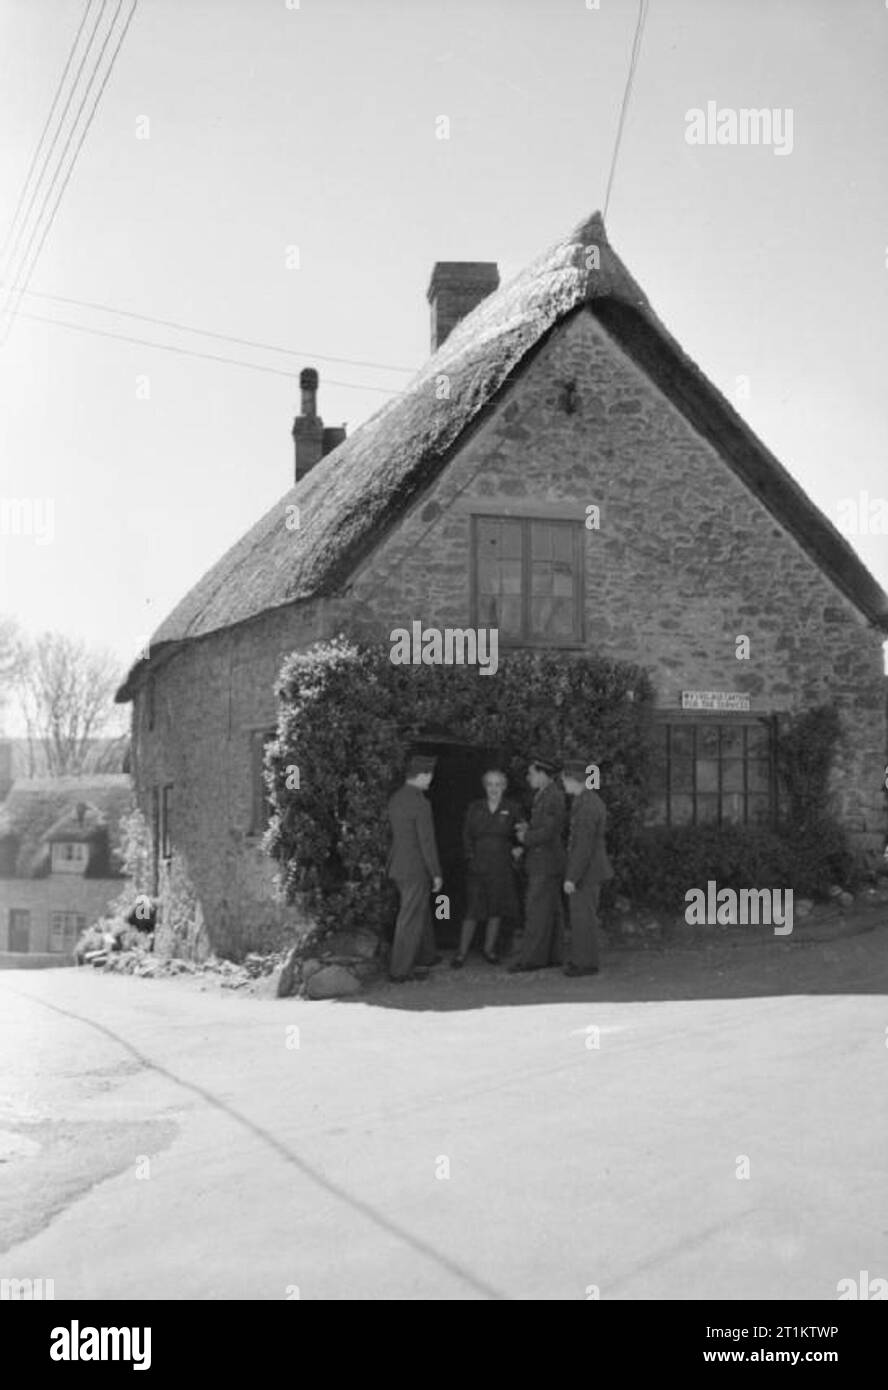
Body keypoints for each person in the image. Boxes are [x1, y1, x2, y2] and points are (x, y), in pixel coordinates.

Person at [451, 767, 521, 968]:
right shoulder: (475, 807)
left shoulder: (513, 808)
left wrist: (518, 850)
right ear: (484, 786)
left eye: (498, 784)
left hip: (501, 864)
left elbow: (520, 833)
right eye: (490, 784)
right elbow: (466, 835)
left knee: (495, 909)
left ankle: (489, 950)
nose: (494, 788)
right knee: (472, 909)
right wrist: (470, 857)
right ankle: (461, 953)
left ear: (504, 787)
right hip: (478, 864)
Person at [386, 754, 443, 982]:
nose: (431, 780)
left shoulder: (396, 798)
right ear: (421, 775)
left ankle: (426, 956)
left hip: (398, 865)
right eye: (429, 775)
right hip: (415, 868)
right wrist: (436, 873)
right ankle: (399, 970)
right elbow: (426, 842)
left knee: (421, 911)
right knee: (409, 917)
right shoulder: (421, 803)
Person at [508, 752, 566, 971]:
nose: (528, 777)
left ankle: (531, 959)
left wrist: (526, 837)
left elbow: (550, 830)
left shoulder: (553, 796)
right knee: (551, 910)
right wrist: (529, 829)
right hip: (546, 860)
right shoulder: (545, 794)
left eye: (531, 773)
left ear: (543, 774)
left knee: (537, 910)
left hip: (545, 862)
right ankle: (553, 955)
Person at [560, 757, 614, 977]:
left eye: (565, 779)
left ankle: (586, 963)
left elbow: (583, 846)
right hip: (591, 869)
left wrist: (572, 877)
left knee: (583, 918)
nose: (563, 784)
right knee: (582, 917)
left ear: (575, 780)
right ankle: (583, 960)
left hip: (588, 871)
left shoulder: (586, 805)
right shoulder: (587, 800)